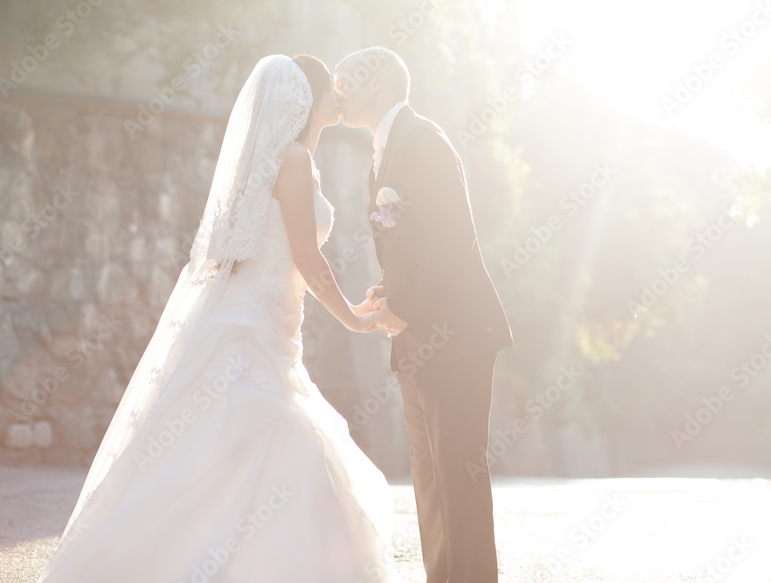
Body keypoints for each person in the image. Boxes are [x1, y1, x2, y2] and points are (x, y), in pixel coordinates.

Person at [35, 54, 400, 583]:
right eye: (330, 92)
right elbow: (306, 256)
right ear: (306, 101)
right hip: (250, 327)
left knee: (227, 450)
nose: (338, 100)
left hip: (268, 327)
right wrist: (354, 319)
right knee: (283, 436)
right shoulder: (293, 159)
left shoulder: (280, 161)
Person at [334, 47, 514, 583]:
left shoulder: (422, 141)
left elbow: (449, 243)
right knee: (431, 483)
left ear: (381, 81)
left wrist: (402, 305)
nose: (338, 90)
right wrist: (392, 290)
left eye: (348, 79)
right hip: (418, 336)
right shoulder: (385, 149)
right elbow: (412, 246)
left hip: (455, 335)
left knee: (458, 478)